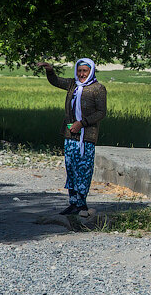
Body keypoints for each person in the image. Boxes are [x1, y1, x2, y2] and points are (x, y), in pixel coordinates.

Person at [37, 59, 107, 215]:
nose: (82, 74)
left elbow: (101, 112)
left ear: (91, 72)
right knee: (71, 168)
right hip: (70, 135)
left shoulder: (98, 89)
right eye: (79, 71)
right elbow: (55, 81)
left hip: (86, 136)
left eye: (85, 71)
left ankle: (82, 204)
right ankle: (73, 203)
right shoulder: (72, 85)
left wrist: (82, 123)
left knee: (84, 169)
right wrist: (49, 70)